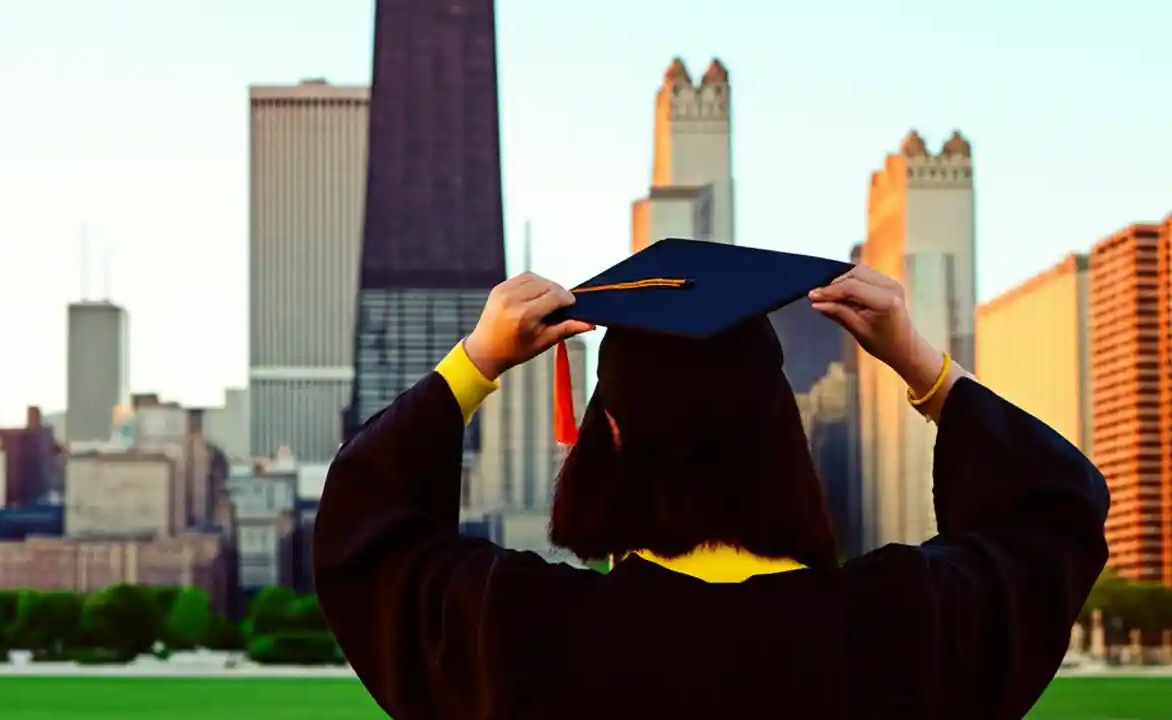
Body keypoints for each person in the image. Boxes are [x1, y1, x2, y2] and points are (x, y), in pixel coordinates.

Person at [313, 241, 1109, 719]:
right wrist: (923, 368)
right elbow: (1052, 512)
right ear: (785, 438)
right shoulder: (901, 624)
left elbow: (367, 526)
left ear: (610, 437)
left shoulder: (521, 631)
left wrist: (475, 361)